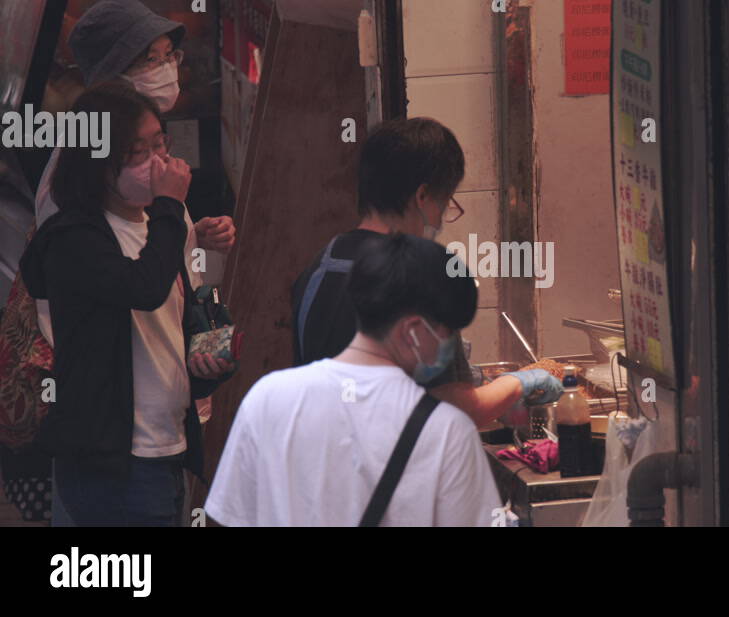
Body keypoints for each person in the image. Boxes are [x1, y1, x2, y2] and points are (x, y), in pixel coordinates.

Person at [18, 84, 233, 526]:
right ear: (99, 163)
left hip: (168, 448)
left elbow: (178, 317)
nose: (158, 162)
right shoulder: (74, 237)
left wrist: (209, 360)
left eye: (160, 144)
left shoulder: (161, 224)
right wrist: (173, 208)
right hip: (112, 464)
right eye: (139, 152)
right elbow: (141, 287)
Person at [208, 234, 501, 526]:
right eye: (447, 331)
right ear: (413, 329)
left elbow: (229, 518)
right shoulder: (449, 431)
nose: (448, 345)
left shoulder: (267, 398)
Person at [291, 117, 561, 427]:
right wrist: (519, 383)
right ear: (422, 197)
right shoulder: (419, 280)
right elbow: (457, 410)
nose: (441, 219)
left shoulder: (317, 268)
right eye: (444, 204)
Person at [34, 0, 236, 346]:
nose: (167, 69)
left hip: (166, 352)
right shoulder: (83, 165)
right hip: (124, 366)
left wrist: (192, 235)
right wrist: (173, 217)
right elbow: (127, 278)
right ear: (111, 75)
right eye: (150, 59)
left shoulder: (138, 144)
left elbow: (140, 236)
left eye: (170, 55)